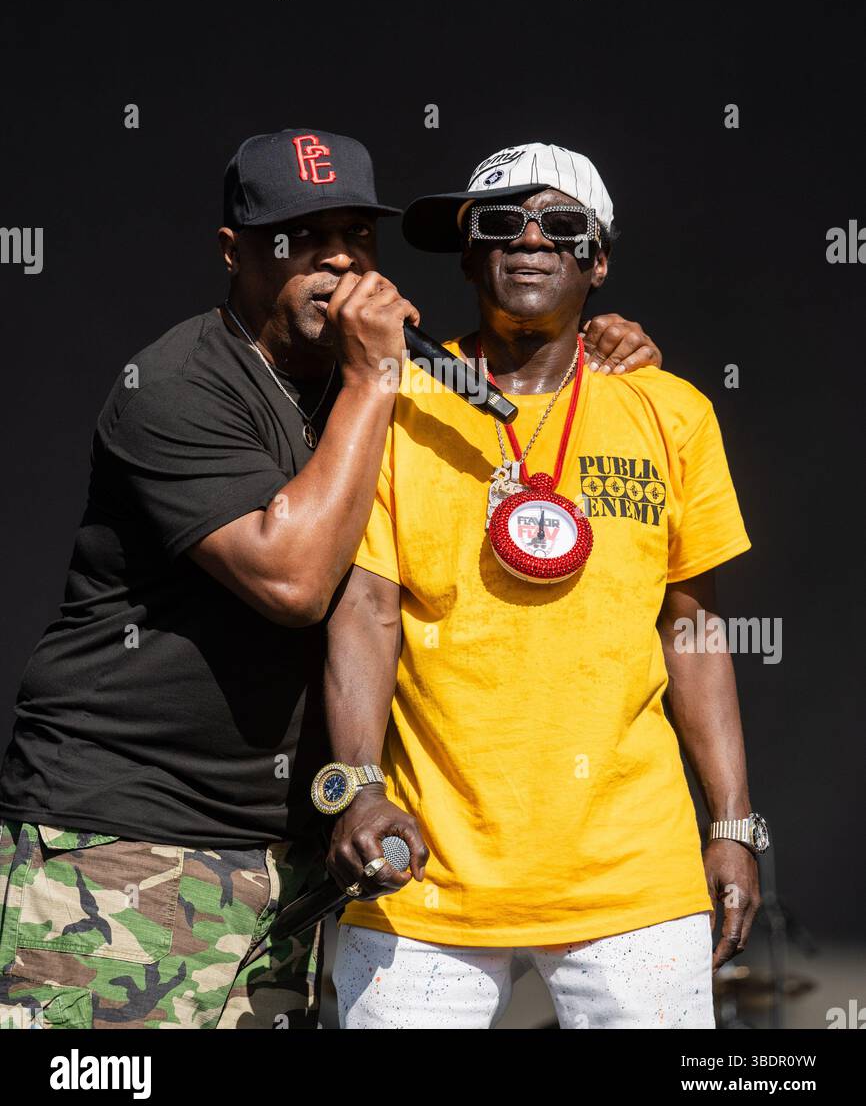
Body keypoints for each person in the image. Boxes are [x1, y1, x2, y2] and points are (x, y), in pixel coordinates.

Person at [0, 129, 658, 1030]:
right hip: (127, 839)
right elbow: (296, 582)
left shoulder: (400, 384)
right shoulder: (179, 384)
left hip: (300, 859)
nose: (339, 259)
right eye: (299, 237)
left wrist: (600, 346)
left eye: (356, 233)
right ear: (234, 252)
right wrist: (374, 374)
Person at [323, 142, 767, 1030]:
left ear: (596, 261)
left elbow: (692, 631)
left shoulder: (671, 411)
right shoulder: (396, 398)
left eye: (562, 226)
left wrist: (732, 825)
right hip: (423, 870)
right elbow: (366, 609)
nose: (530, 241)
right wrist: (359, 785)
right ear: (467, 252)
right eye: (500, 223)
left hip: (632, 874)